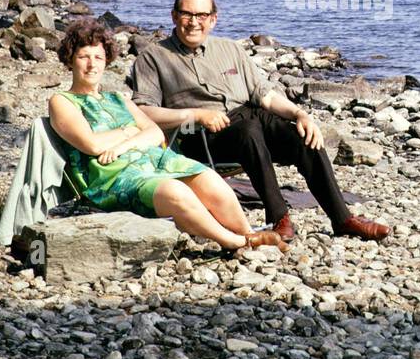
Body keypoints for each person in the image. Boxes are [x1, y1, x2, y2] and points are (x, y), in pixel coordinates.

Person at [128, 0, 389, 244]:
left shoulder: (229, 49)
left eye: (202, 16)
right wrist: (195, 114)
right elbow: (143, 112)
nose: (194, 22)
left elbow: (264, 94)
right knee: (249, 130)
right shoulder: (153, 57)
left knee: (301, 134)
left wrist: (300, 114)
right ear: (174, 16)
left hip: (248, 119)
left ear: (213, 19)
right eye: (187, 14)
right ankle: (279, 218)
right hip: (200, 135)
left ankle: (343, 219)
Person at [48, 17, 284, 253]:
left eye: (98, 57)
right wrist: (130, 131)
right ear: (70, 59)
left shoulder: (117, 99)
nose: (92, 65)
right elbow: (91, 144)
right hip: (112, 179)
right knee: (176, 191)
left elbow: (155, 133)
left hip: (155, 162)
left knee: (208, 178)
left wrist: (124, 142)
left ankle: (248, 234)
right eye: (83, 57)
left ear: (106, 60)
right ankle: (233, 242)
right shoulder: (63, 101)